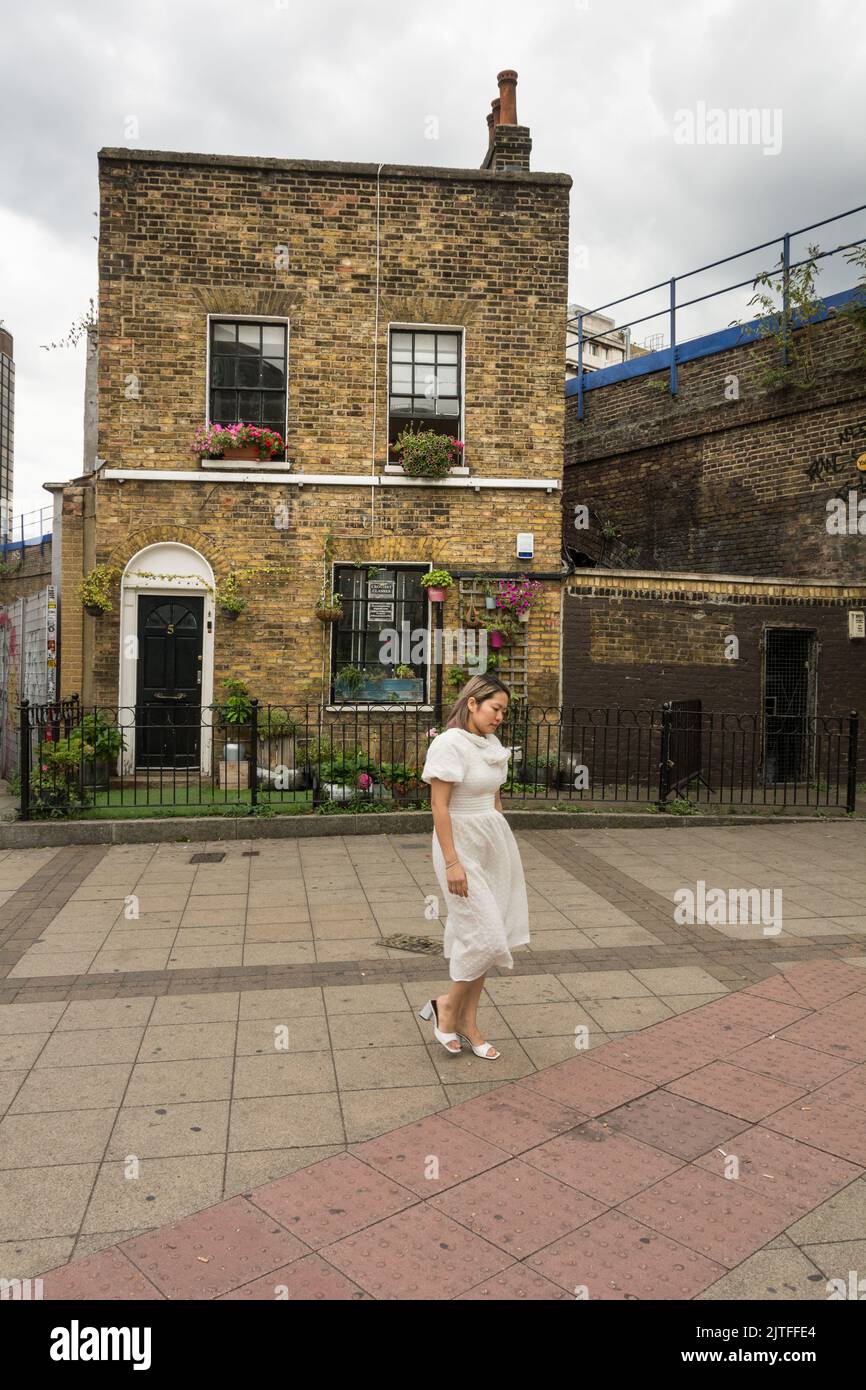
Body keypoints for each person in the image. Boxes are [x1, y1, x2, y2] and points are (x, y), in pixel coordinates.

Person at [418, 674, 530, 1060]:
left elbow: (494, 799)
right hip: (459, 845)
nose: (500, 717)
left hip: (492, 845)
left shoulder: (491, 743)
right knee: (487, 937)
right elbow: (439, 807)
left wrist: (502, 845)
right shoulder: (449, 744)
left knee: (482, 937)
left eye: (503, 711)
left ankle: (466, 1021)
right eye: (495, 708)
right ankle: (446, 1007)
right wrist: (452, 862)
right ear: (472, 703)